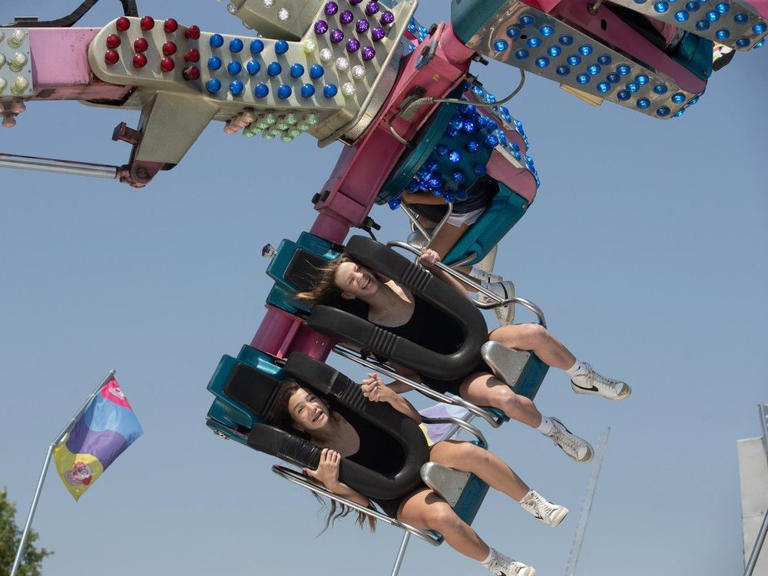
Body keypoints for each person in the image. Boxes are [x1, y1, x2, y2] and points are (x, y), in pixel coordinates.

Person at [297, 249, 632, 463]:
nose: (361, 276)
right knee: (507, 400)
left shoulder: (408, 282)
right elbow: (411, 376)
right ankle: (554, 432)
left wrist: (437, 269)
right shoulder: (374, 331)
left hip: (478, 340)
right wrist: (384, 391)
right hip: (457, 376)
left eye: (359, 269)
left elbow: (463, 304)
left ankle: (583, 377)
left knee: (534, 333)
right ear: (348, 293)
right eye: (351, 279)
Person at [273, 375, 569, 576]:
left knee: (470, 453)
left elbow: (414, 420)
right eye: (301, 409)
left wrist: (390, 396)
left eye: (311, 399)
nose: (311, 408)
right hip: (397, 494)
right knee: (443, 519)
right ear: (297, 425)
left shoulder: (354, 406)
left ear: (322, 400)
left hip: (418, 454)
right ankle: (498, 564)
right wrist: (333, 484)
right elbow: (364, 505)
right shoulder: (317, 461)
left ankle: (534, 504)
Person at [400, 176, 516, 323]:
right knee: (421, 240)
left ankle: (495, 291)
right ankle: (483, 277)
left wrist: (410, 198)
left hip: (468, 201)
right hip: (463, 197)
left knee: (429, 269)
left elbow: (456, 193)